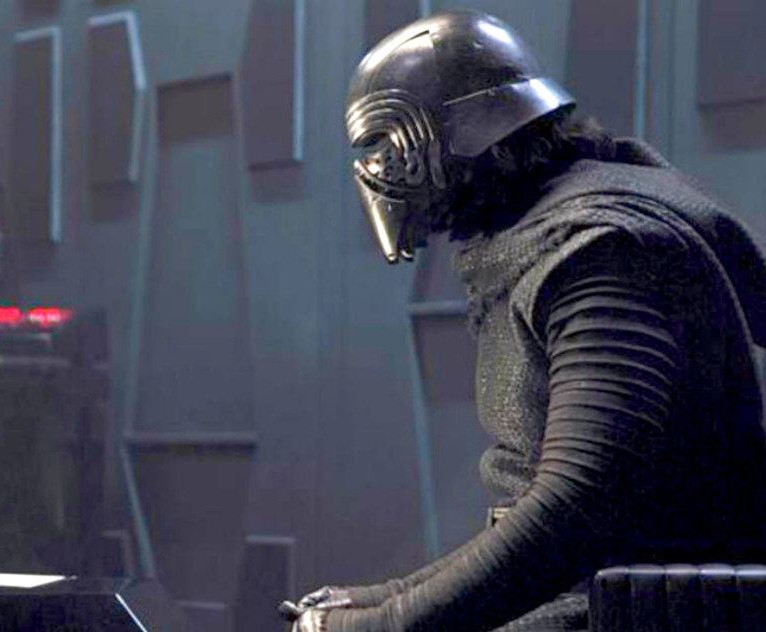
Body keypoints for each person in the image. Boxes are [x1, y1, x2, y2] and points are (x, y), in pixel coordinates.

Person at [281, 9, 766, 631]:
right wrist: (379, 600)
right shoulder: (571, 224)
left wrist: (385, 622)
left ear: (458, 131)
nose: (373, 168)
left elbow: (581, 505)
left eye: (383, 141)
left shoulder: (601, 251)